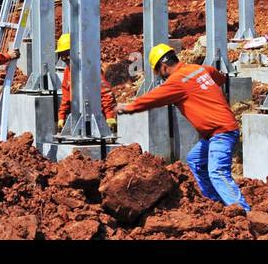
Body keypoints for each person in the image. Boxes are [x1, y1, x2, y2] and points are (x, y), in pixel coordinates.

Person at [117, 44, 249, 210]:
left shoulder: (177, 81)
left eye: (158, 72)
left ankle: (244, 211)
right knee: (195, 159)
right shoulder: (198, 69)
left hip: (221, 132)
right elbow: (216, 74)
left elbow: (153, 98)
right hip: (217, 132)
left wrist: (129, 107)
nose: (161, 77)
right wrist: (221, 80)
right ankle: (216, 202)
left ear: (164, 67)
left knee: (217, 172)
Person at [55, 32, 117, 132]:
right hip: (79, 118)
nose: (64, 58)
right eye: (61, 55)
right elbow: (66, 95)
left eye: (66, 54)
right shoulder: (68, 70)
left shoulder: (89, 68)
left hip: (97, 118)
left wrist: (109, 116)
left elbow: (105, 92)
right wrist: (61, 116)